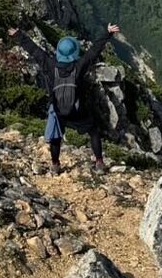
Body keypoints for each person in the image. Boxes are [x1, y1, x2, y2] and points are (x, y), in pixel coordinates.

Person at [9, 23, 121, 174]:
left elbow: (35, 51)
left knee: (56, 136)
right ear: (74, 52)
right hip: (77, 110)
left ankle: (55, 165)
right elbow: (93, 52)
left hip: (58, 110)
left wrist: (18, 35)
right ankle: (99, 163)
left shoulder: (50, 65)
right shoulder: (79, 66)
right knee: (93, 131)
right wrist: (107, 33)